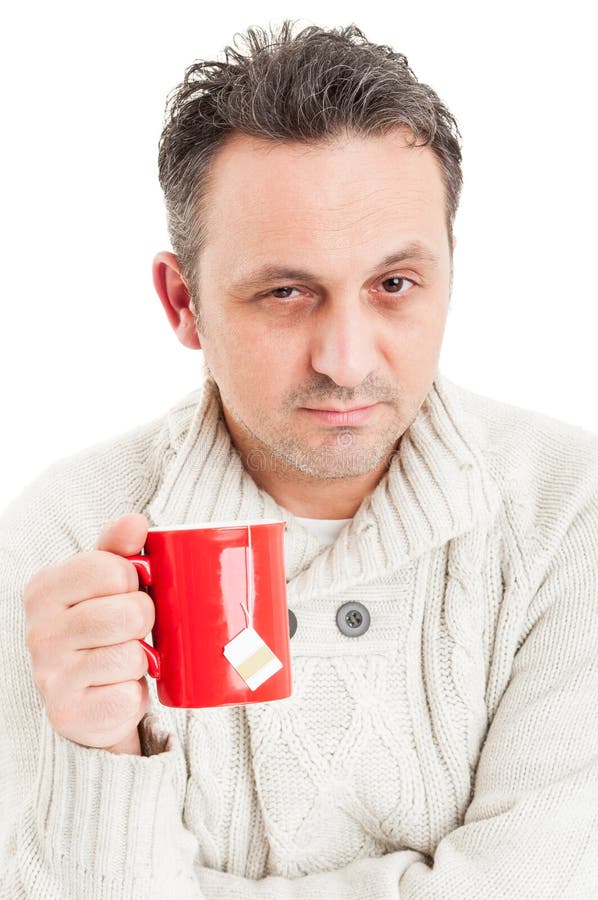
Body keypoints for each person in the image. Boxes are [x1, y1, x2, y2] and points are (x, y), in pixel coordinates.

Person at [1, 18, 597, 899]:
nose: (347, 360)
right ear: (183, 303)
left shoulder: (568, 514)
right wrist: (103, 761)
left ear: (449, 273)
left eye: (395, 284)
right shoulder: (68, 539)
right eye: (286, 292)